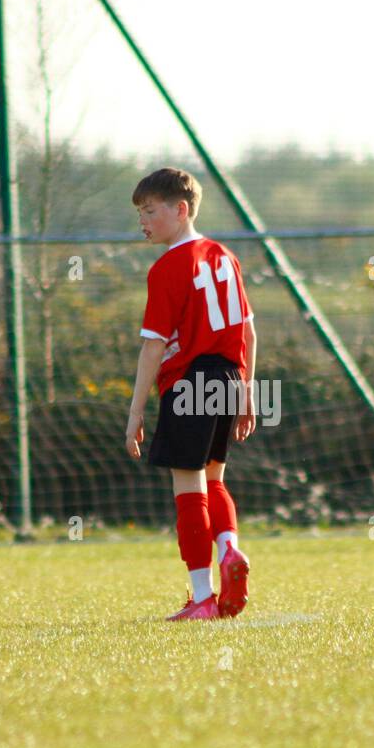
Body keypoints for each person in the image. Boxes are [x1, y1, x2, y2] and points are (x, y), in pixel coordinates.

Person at [125, 167, 257, 621]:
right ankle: (230, 548)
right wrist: (247, 393)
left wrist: (136, 411)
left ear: (181, 210)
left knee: (188, 488)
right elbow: (250, 333)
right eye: (139, 213)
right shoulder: (225, 257)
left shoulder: (168, 267)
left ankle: (202, 596)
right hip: (229, 376)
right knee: (215, 478)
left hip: (189, 383)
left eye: (150, 211)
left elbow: (153, 346)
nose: (143, 221)